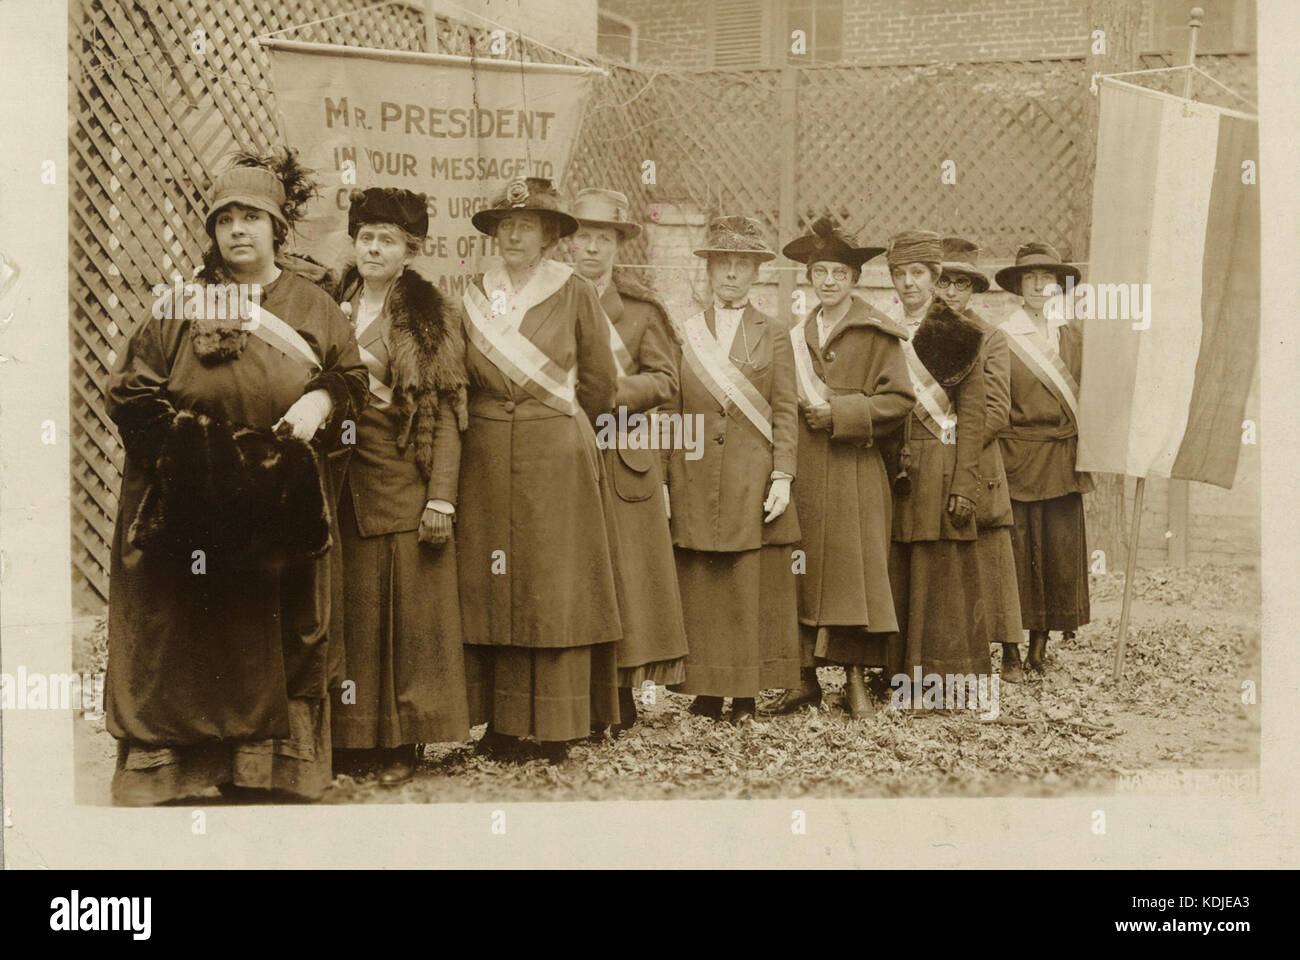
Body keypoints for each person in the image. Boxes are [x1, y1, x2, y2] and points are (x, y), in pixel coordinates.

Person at [104, 151, 368, 804]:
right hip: (190, 503)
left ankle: (269, 770)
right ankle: (177, 771)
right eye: (225, 220)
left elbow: (351, 377)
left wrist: (321, 400)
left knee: (275, 630)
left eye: (252, 218)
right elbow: (130, 393)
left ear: (277, 228)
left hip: (275, 503)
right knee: (182, 631)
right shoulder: (179, 304)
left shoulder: (313, 302)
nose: (238, 231)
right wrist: (194, 457)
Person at [458, 177, 622, 763]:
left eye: (526, 225)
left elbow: (601, 383)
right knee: (493, 583)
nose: (513, 234)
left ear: (551, 235)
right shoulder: (476, 292)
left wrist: (571, 432)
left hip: (554, 449)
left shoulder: (574, 290)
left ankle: (558, 722)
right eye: (505, 225)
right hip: (484, 453)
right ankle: (501, 722)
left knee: (553, 586)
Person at [328, 187, 471, 783]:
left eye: (388, 240)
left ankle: (401, 744)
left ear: (410, 249)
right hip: (337, 480)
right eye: (366, 238)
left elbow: (449, 410)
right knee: (354, 616)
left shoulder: (429, 313)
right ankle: (352, 741)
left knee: (405, 621)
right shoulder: (329, 301)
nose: (374, 248)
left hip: (402, 478)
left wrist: (441, 495)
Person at [762, 217, 914, 719]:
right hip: (804, 471)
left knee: (855, 577)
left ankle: (853, 682)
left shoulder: (877, 333)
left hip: (855, 471)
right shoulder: (791, 336)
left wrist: (842, 412)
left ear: (855, 280)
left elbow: (898, 402)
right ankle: (802, 678)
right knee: (800, 571)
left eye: (838, 274)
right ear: (809, 277)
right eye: (820, 272)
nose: (828, 282)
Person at [663, 216, 800, 725]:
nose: (732, 275)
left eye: (743, 265)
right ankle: (704, 689)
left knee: (746, 584)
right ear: (710, 270)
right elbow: (671, 408)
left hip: (750, 472)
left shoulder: (776, 333)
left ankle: (743, 693)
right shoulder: (684, 332)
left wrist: (783, 474)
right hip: (694, 471)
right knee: (702, 580)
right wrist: (665, 479)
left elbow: (785, 409)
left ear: (756, 274)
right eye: (724, 264)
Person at [568, 188, 688, 734]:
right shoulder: (551, 299)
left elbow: (666, 381)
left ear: (618, 246)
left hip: (621, 452)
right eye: (583, 236)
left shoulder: (640, 311)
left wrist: (611, 391)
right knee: (575, 571)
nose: (591, 247)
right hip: (565, 454)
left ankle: (618, 693)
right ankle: (575, 692)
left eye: (603, 238)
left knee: (622, 576)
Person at [882, 231, 993, 693]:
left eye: (917, 274)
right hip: (894, 466)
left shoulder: (962, 333)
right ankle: (896, 673)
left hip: (945, 461)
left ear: (935, 278)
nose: (908, 283)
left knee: (941, 567)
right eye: (900, 274)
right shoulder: (882, 329)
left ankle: (943, 678)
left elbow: (973, 414)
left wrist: (966, 482)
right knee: (898, 566)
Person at [994, 242, 1093, 675]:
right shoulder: (1002, 335)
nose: (1038, 284)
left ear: (1058, 285)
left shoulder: (1073, 336)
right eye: (1030, 277)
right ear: (1018, 285)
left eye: (1047, 277)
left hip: (1062, 457)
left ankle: (1040, 646)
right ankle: (1011, 650)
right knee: (1014, 553)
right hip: (1016, 456)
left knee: (1057, 552)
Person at [936, 237, 1025, 680]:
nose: (951, 292)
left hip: (977, 461)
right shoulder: (918, 331)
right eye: (944, 282)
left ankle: (1009, 652)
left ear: (973, 291)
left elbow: (996, 410)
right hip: (931, 461)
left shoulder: (990, 337)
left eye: (960, 284)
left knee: (992, 556)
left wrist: (954, 444)